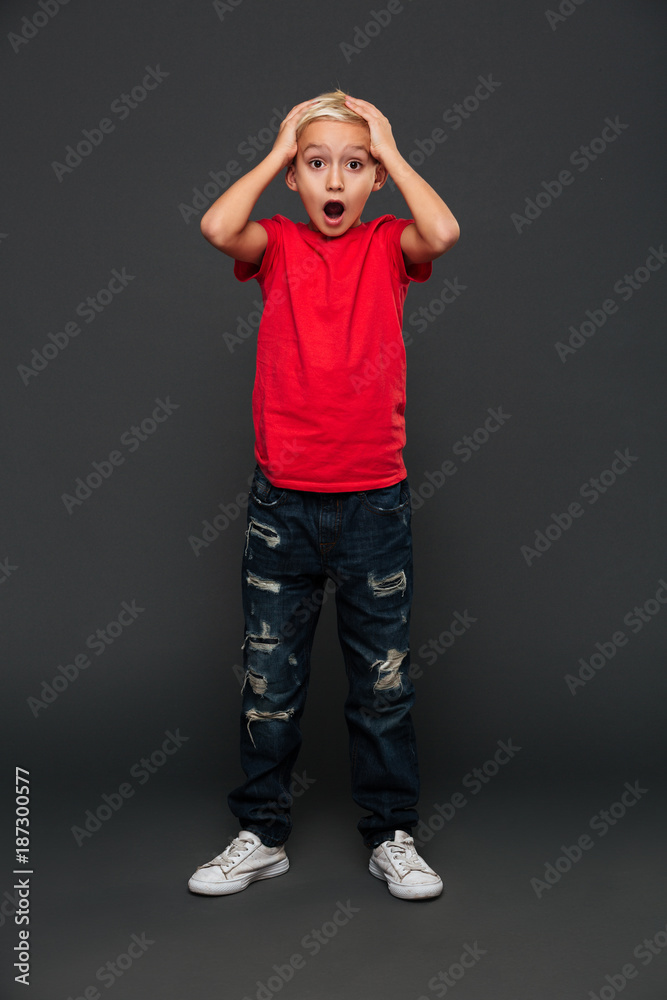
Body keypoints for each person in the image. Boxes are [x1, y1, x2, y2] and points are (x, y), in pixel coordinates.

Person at [188, 90, 459, 900]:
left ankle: (391, 834)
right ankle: (260, 832)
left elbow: (441, 231)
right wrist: (276, 145)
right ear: (294, 181)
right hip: (283, 506)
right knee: (270, 681)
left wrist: (393, 147)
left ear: (374, 178)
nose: (333, 177)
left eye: (352, 162)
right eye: (315, 164)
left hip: (374, 502)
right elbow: (213, 226)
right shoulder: (274, 244)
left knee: (381, 683)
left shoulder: (386, 244)